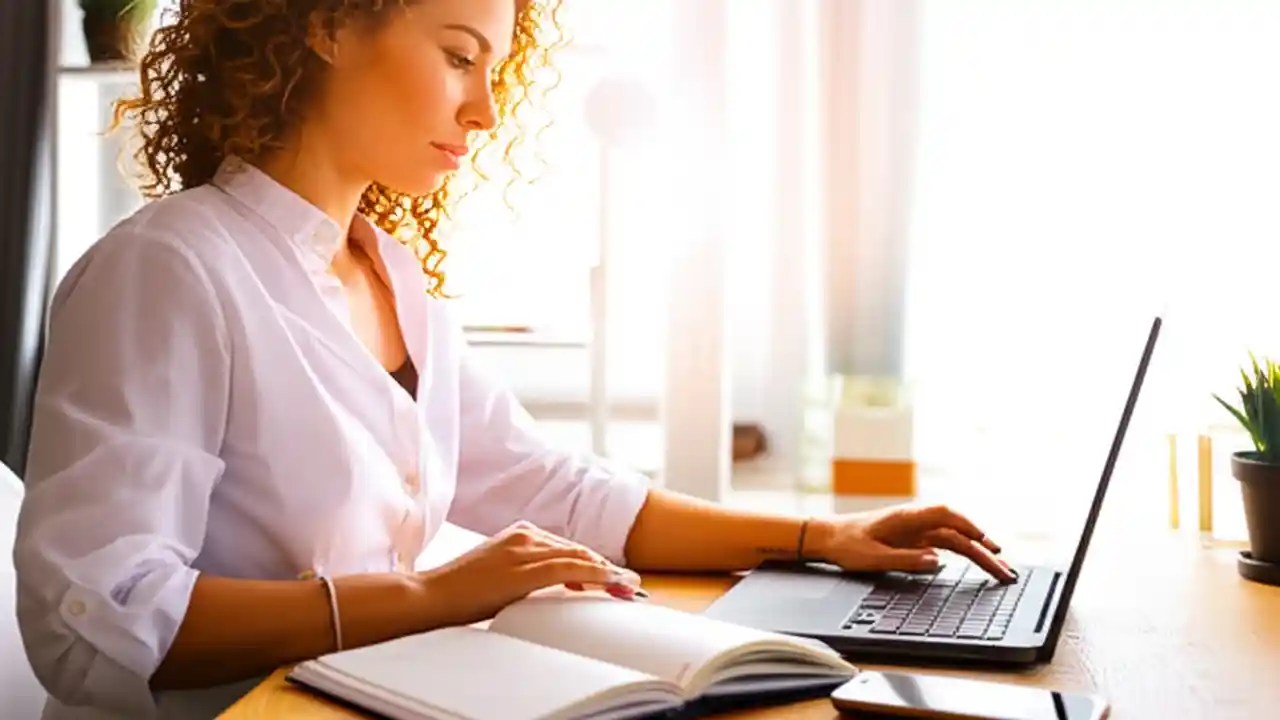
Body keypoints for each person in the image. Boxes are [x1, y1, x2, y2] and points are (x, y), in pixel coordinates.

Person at [13, 0, 1014, 717]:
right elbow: (95, 616)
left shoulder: (389, 275)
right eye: (457, 55)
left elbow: (556, 487)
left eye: (492, 67)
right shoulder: (167, 269)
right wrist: (429, 594)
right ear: (323, 23)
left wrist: (818, 533)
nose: (486, 109)